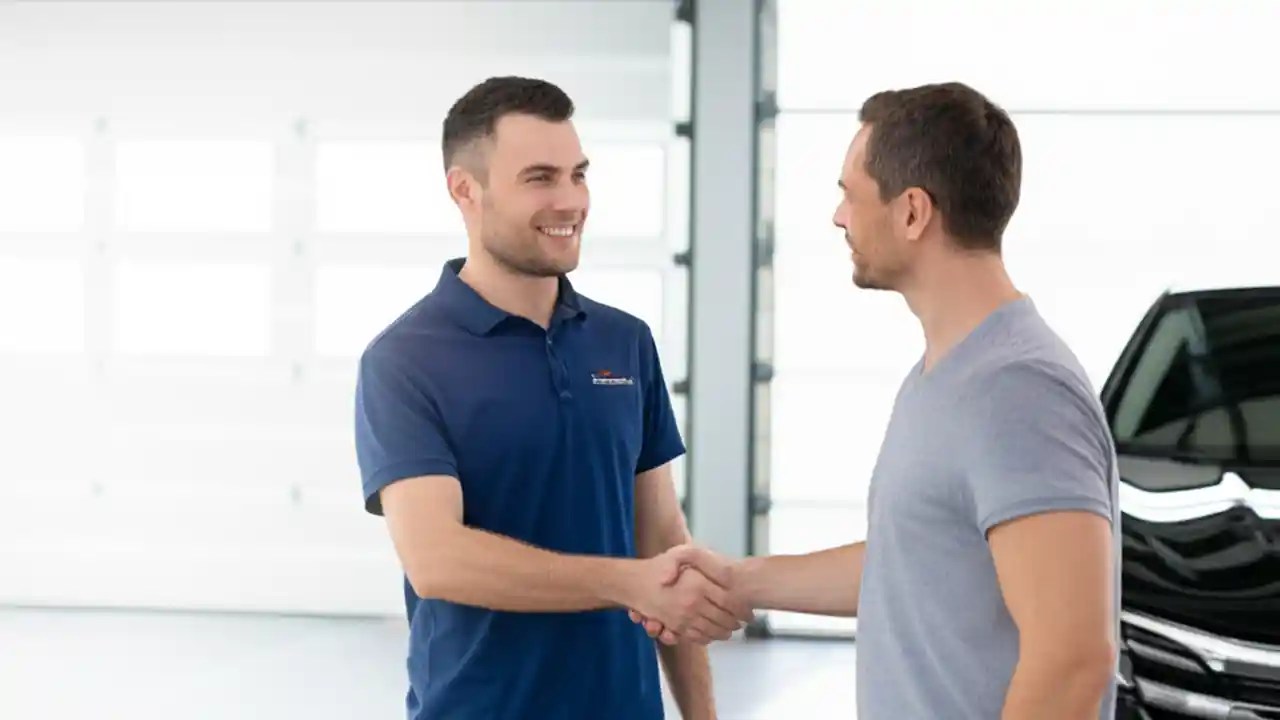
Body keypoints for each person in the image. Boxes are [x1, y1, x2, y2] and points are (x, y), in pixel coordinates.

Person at [633, 82, 1122, 720]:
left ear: (913, 212)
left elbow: (1073, 659)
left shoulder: (1018, 391)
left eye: (850, 194)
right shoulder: (947, 374)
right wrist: (738, 580)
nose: (839, 217)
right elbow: (914, 562)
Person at [354, 76, 748, 720]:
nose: (570, 201)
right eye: (539, 178)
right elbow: (438, 560)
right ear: (465, 189)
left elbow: (661, 543)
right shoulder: (404, 360)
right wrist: (629, 583)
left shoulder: (625, 342)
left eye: (578, 175)